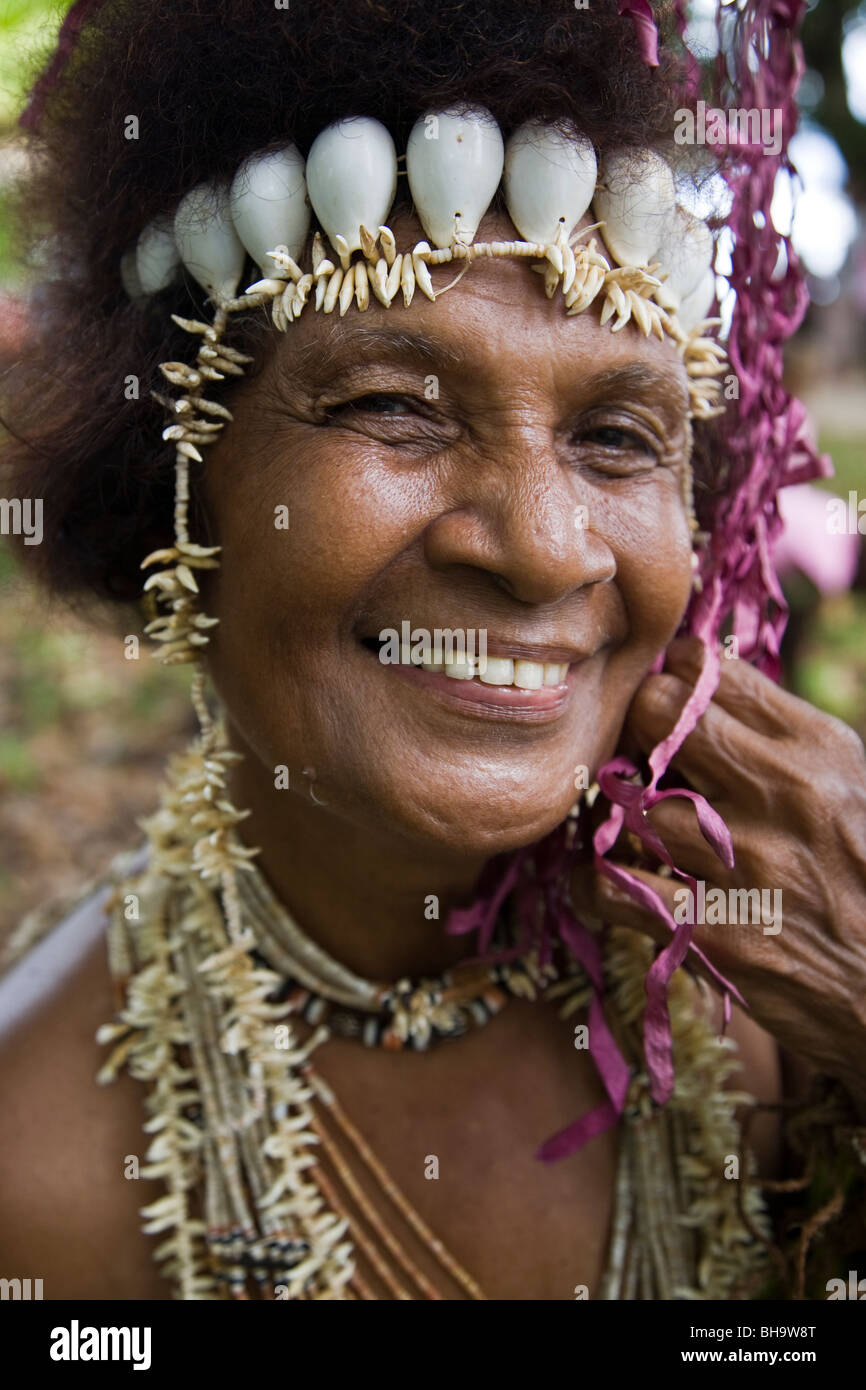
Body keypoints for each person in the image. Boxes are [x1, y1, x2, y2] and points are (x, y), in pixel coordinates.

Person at [0, 0, 864, 1301]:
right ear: (171, 486)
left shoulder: (792, 993)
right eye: (394, 405)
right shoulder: (33, 1180)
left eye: (617, 437)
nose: (539, 546)